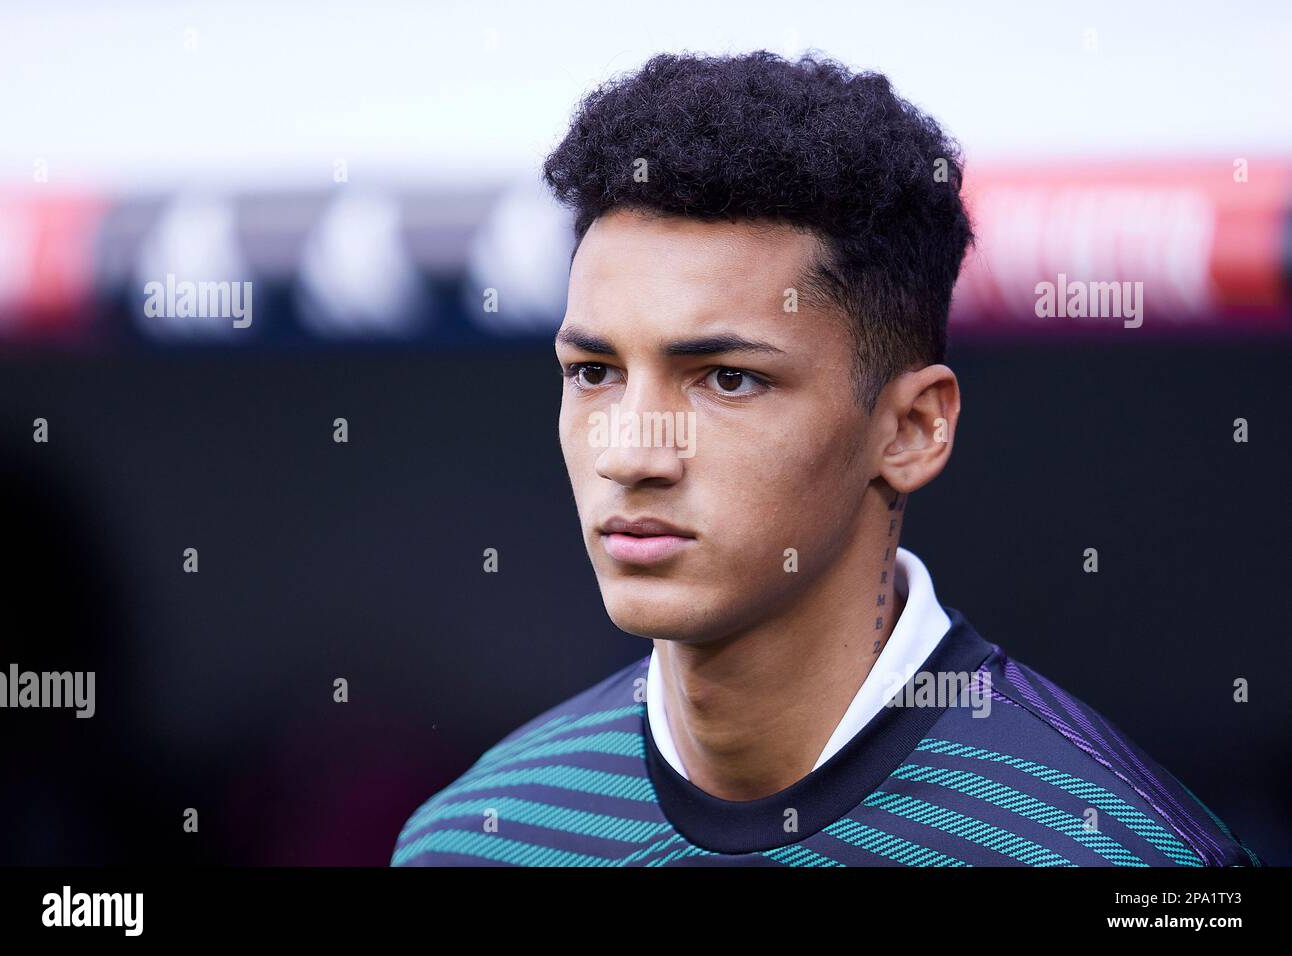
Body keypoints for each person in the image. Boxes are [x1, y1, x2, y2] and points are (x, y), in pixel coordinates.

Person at [392, 50, 1261, 867]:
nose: (631, 450)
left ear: (914, 427)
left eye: (727, 379)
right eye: (593, 372)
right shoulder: (477, 836)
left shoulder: (1118, 852)